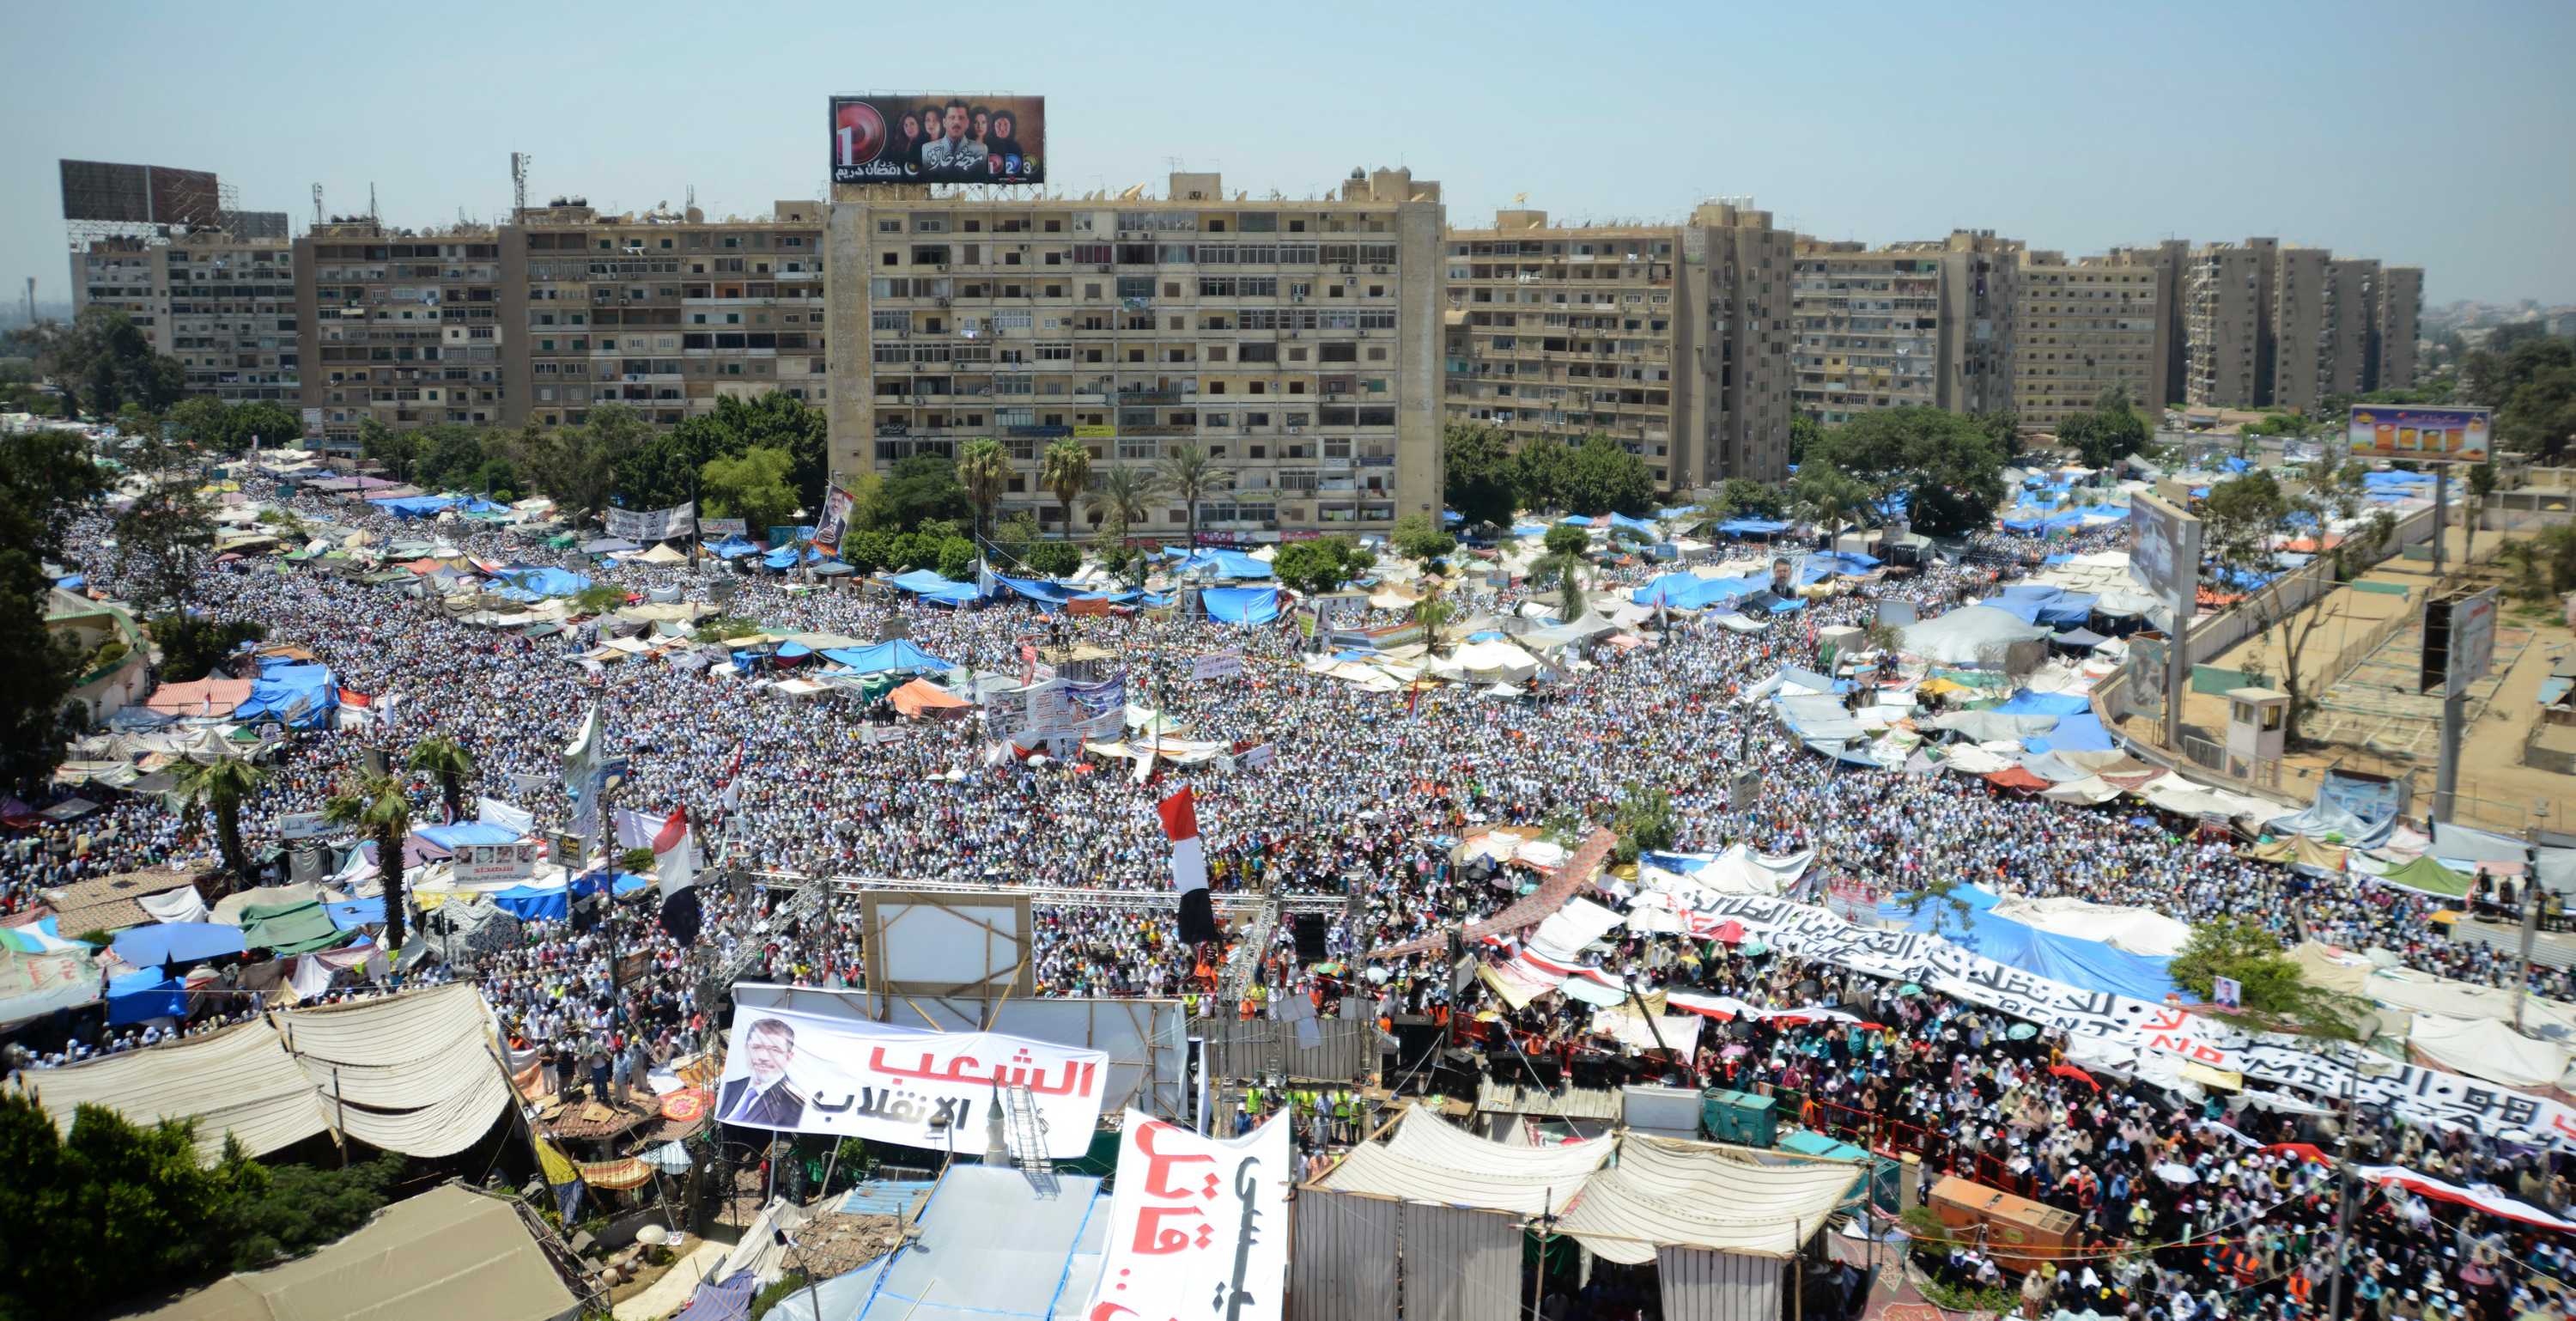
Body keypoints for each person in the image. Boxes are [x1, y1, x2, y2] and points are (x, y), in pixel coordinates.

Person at [719, 1016, 806, 1126]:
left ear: (789, 1057)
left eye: (775, 1050)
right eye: (756, 1047)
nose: (763, 1057)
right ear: (746, 1049)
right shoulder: (730, 1087)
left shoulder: (795, 1104)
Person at [922, 102, 984, 180]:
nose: (956, 122)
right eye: (952, 117)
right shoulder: (927, 149)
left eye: (961, 118)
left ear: (967, 123)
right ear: (944, 122)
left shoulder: (981, 150)